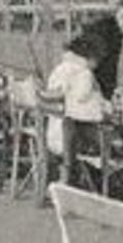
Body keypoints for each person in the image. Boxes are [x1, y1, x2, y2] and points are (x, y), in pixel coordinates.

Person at [44, 31, 111, 175]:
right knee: (110, 135)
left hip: (51, 136)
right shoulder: (84, 74)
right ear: (92, 57)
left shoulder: (60, 69)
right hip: (70, 142)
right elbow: (86, 104)